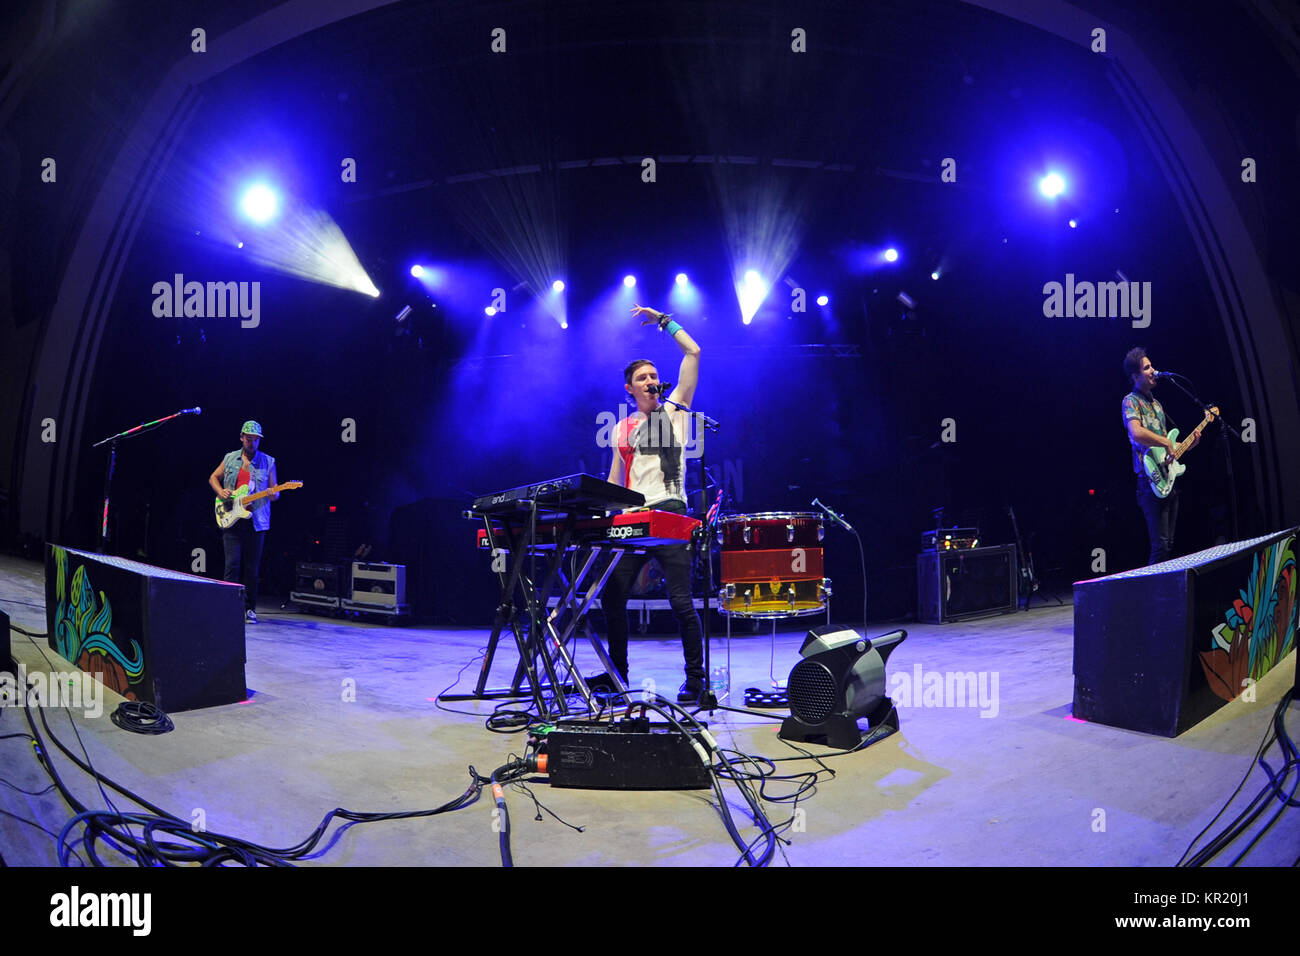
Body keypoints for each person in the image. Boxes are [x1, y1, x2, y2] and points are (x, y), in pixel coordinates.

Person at [600, 305, 704, 702]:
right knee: (613, 596)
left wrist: (664, 321)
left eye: (654, 375)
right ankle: (617, 676)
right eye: (643, 378)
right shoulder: (622, 429)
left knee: (680, 600)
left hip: (670, 512)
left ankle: (695, 679)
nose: (651, 381)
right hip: (632, 518)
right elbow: (615, 480)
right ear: (629, 388)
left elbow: (692, 352)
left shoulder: (674, 410)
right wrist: (603, 518)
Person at [1122, 348, 1196, 565]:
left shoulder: (1157, 405)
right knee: (1160, 545)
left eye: (1151, 366)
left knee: (1169, 544)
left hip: (1167, 478)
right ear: (1135, 377)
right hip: (1149, 481)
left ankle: (1162, 595)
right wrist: (1165, 442)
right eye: (1147, 368)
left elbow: (1169, 447)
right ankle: (1151, 597)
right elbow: (1136, 433)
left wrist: (1189, 444)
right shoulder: (1131, 401)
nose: (1153, 370)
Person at [209, 420, 279, 622]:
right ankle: (228, 607)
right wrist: (221, 491)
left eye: (256, 440)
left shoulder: (268, 461)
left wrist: (273, 493)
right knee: (232, 566)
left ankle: (250, 609)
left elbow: (275, 494)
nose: (252, 443)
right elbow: (213, 477)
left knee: (252, 568)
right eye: (249, 439)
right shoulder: (230, 458)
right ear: (242, 437)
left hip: (256, 522)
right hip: (232, 518)